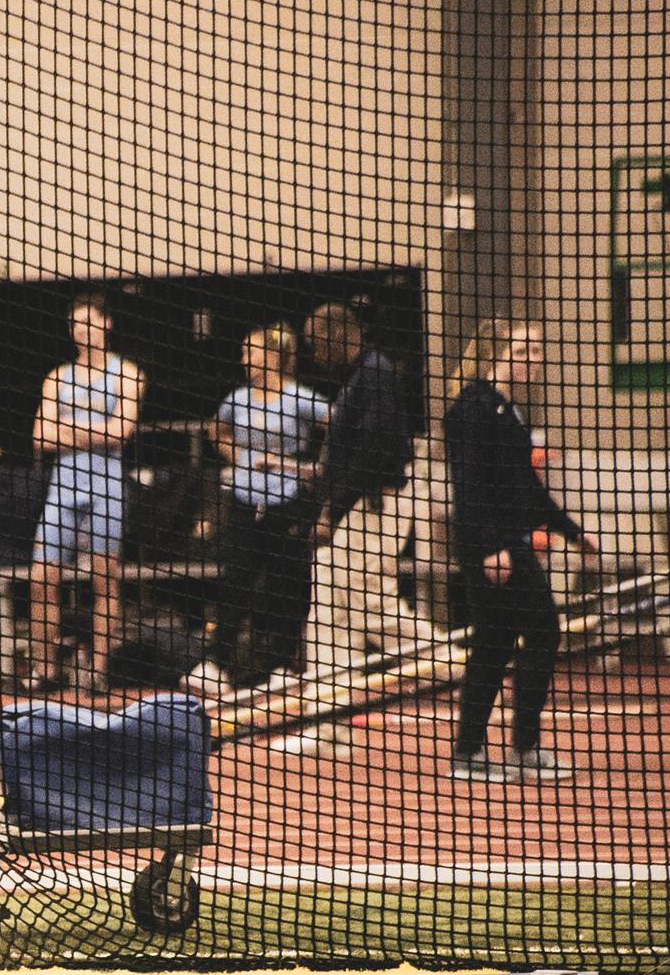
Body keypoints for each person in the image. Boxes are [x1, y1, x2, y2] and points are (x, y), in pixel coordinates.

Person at [444, 320, 599, 782]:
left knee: (494, 643)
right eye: (523, 350)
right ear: (495, 354)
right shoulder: (474, 408)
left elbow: (525, 487)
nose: (534, 359)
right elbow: (470, 487)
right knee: (540, 631)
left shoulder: (506, 410)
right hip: (494, 548)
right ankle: (512, 749)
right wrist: (491, 548)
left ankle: (477, 751)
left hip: (508, 542)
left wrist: (572, 532)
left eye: (536, 350)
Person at [192, 323, 331, 691]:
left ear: (273, 356)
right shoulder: (237, 399)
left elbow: (338, 427)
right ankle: (217, 664)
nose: (244, 358)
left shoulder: (300, 397)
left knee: (285, 584)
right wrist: (239, 457)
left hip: (287, 503)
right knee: (235, 581)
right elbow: (216, 430)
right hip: (243, 502)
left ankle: (282, 665)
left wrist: (306, 468)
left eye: (250, 351)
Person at [301, 302, 434, 679]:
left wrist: (333, 510)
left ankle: (454, 665)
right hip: (356, 505)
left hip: (376, 504)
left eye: (317, 344)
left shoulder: (374, 373)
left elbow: (374, 449)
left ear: (337, 336)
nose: (316, 355)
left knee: (369, 602)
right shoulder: (359, 377)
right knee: (328, 602)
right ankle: (329, 702)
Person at [26, 293, 143, 693]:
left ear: (106, 324)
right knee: (41, 578)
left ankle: (99, 671)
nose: (82, 330)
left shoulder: (126, 373)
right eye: (75, 323)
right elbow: (41, 436)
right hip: (64, 487)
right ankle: (46, 671)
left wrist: (70, 429)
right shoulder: (57, 377)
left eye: (89, 322)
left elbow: (121, 431)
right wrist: (95, 431)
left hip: (106, 487)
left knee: (104, 579)